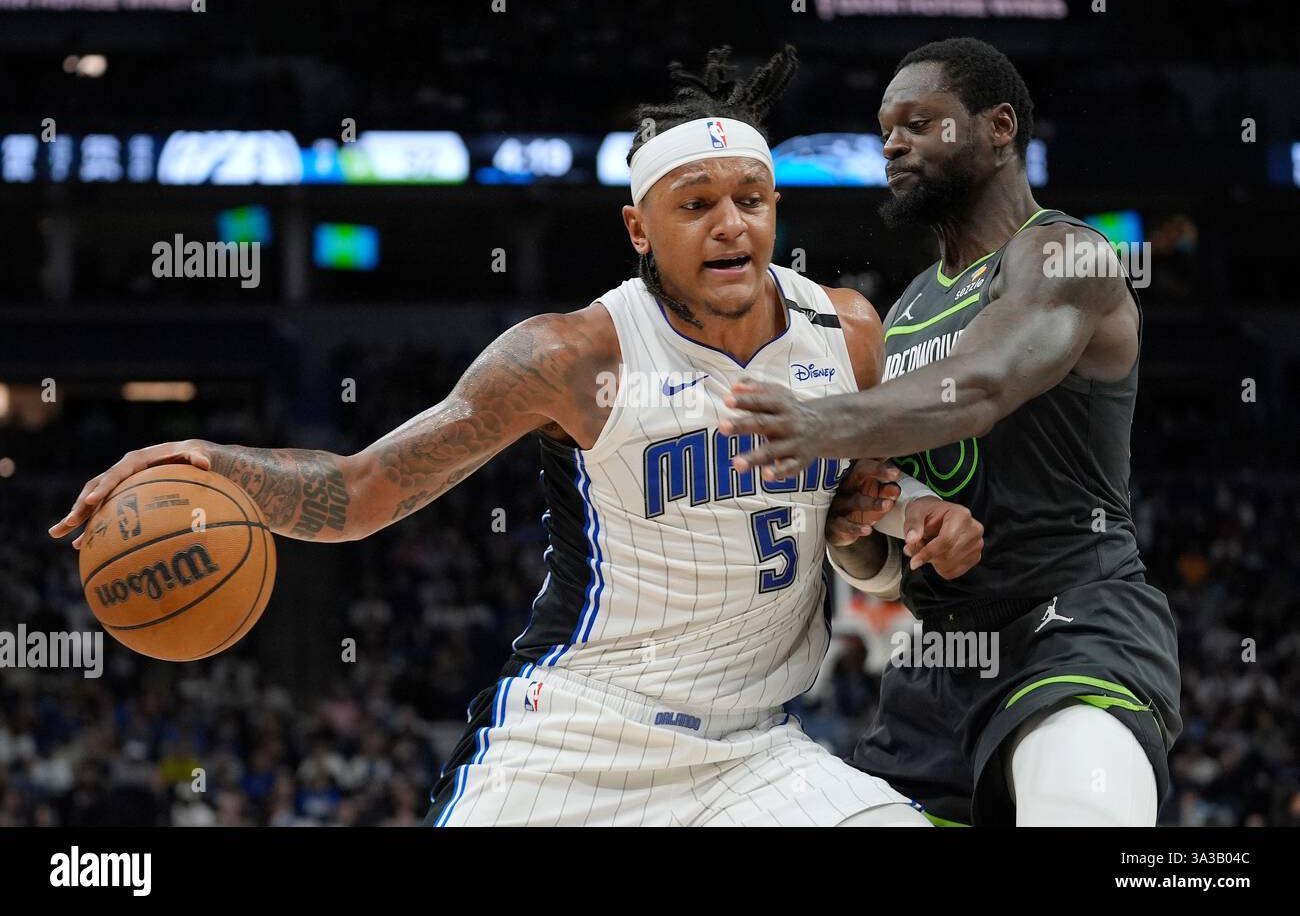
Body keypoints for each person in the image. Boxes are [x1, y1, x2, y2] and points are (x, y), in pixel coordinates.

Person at [50, 46, 982, 827]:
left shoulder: (848, 332)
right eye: (695, 205)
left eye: (751, 197)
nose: (731, 223)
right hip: (574, 742)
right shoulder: (569, 355)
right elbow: (362, 492)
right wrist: (220, 467)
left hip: (755, 754)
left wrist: (907, 522)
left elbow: (863, 531)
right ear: (639, 230)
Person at [720, 38, 1181, 826]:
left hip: (1069, 626)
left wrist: (817, 423)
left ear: (999, 127)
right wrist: (856, 528)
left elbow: (980, 387)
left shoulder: (1064, 254)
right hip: (937, 663)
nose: (893, 143)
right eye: (885, 129)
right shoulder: (904, 312)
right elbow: (890, 566)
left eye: (920, 123)